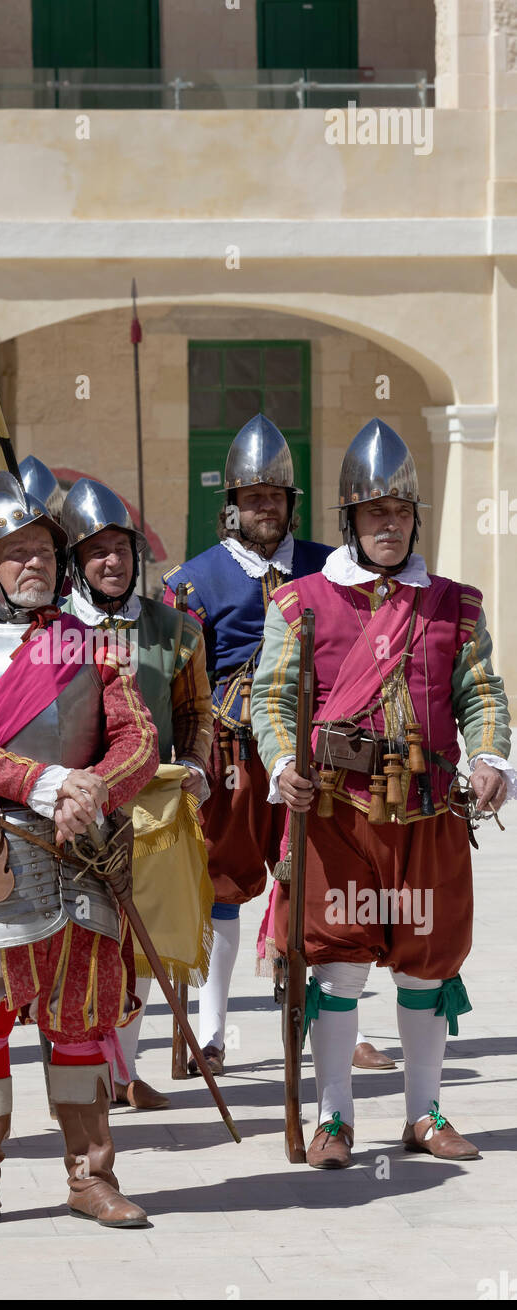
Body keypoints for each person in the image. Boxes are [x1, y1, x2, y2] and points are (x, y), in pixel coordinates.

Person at [251, 418, 513, 1168]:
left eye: (399, 513)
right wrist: (281, 764)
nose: (388, 526)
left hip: (428, 815)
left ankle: (425, 1114)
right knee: (337, 965)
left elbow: (481, 690)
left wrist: (491, 754)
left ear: (414, 520)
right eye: (374, 514)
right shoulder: (301, 602)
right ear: (351, 521)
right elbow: (271, 699)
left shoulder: (454, 605)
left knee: (428, 962)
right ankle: (336, 1120)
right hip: (337, 816)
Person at [0, 473, 158, 1232]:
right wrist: (43, 782)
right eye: (15, 554)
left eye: (44, 552)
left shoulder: (94, 646)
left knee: (80, 1019)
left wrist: (94, 790)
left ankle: (90, 1177)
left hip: (81, 849)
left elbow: (138, 740)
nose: (33, 566)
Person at [163, 415, 334, 1074]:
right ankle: (211, 1031)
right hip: (230, 756)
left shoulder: (328, 569)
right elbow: (178, 678)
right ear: (232, 506)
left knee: (320, 890)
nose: (266, 507)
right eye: (252, 497)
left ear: (292, 503)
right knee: (221, 887)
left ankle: (325, 1023)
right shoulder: (193, 580)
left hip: (310, 756)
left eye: (276, 497)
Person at [61, 477, 212, 1109]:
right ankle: (81, 1072)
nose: (112, 561)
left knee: (138, 944)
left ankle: (122, 1071)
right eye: (97, 550)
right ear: (78, 561)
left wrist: (199, 766)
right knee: (78, 942)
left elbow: (198, 713)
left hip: (149, 812)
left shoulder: (175, 630)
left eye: (121, 547)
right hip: (67, 812)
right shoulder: (52, 632)